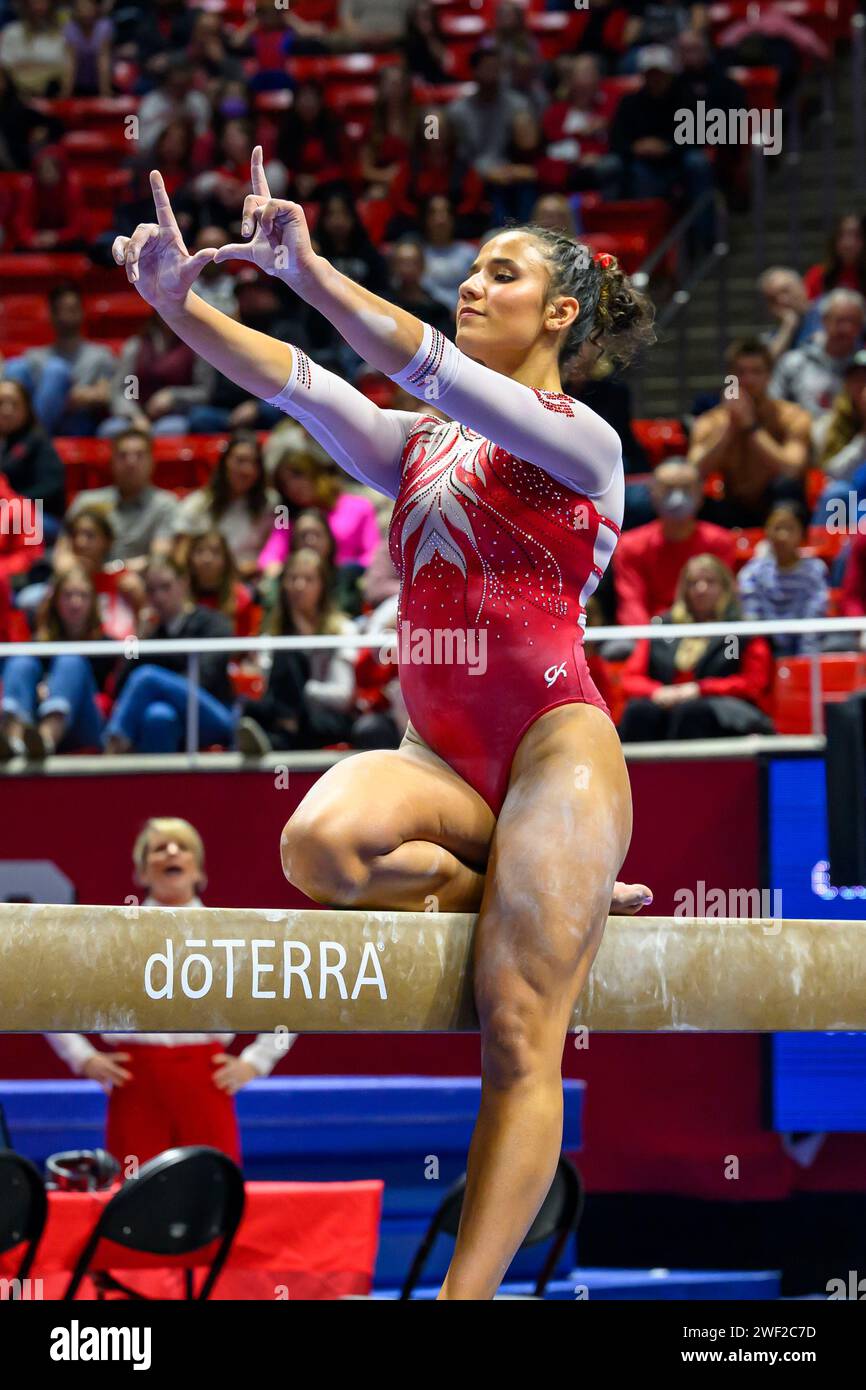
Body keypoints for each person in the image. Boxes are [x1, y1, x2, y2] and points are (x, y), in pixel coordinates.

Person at [113, 145, 656, 1299]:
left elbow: (432, 366)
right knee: (314, 844)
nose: (472, 282)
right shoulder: (416, 447)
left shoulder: (586, 445)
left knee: (517, 1033)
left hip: (555, 746)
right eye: (470, 268)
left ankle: (462, 1300)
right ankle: (525, 888)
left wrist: (307, 271)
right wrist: (180, 306)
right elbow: (299, 385)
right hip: (437, 765)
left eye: (500, 273)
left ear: (560, 310)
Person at [47, 818, 292, 1166]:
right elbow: (46, 994)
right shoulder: (114, 933)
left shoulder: (231, 932)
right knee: (134, 1201)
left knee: (212, 1196)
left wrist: (256, 1062)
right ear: (142, 874)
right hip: (136, 1082)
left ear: (199, 872)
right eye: (159, 849)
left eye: (182, 847)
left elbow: (291, 999)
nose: (171, 852)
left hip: (207, 1082)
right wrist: (81, 1056)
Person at [619, 554, 775, 740]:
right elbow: (631, 678)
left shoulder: (738, 633)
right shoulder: (661, 627)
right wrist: (657, 691)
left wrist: (700, 689)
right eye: (693, 582)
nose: (701, 589)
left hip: (725, 710)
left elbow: (752, 684)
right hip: (669, 702)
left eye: (710, 581)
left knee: (691, 712)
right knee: (639, 711)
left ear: (725, 587)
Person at [104, 555, 235, 754]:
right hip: (172, 717)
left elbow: (204, 678)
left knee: (147, 677)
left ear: (184, 584)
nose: (159, 597)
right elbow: (120, 686)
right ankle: (157, 785)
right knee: (158, 717)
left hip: (214, 715)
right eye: (151, 590)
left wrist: (159, 685)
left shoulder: (214, 623)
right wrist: (137, 640)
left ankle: (112, 749)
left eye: (166, 587)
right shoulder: (152, 635)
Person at [236, 547, 356, 754]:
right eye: (293, 579)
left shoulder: (341, 630)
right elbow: (270, 689)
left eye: (308, 579)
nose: (299, 586)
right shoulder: (271, 635)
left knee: (289, 656)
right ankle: (286, 732)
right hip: (284, 714)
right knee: (247, 709)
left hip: (323, 716)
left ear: (322, 586)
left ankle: (282, 737)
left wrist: (302, 689)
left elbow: (343, 696)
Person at [688, 338, 811, 527]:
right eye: (740, 372)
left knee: (787, 489)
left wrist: (751, 427)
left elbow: (791, 470)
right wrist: (729, 429)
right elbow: (693, 472)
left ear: (769, 376)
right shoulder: (711, 421)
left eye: (757, 372)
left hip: (776, 507)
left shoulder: (793, 416)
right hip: (732, 506)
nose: (748, 380)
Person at [0, 566, 113, 760]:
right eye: (68, 595)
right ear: (55, 601)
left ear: (93, 601)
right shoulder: (39, 645)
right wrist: (39, 689)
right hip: (33, 722)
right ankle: (13, 740)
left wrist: (56, 689)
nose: (75, 603)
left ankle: (45, 739)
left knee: (71, 661)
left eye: (83, 596)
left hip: (86, 726)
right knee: (20, 662)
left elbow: (114, 695)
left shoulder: (109, 647)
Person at [609, 44, 715, 246]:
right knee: (635, 173)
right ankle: (650, 242)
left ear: (670, 74)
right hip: (643, 163)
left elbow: (701, 137)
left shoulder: (688, 98)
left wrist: (668, 148)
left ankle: (705, 238)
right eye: (650, 74)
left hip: (679, 159)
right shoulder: (630, 102)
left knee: (698, 162)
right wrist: (636, 148)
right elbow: (617, 141)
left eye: (660, 74)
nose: (655, 79)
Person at [614, 458, 737, 625]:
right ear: (652, 493)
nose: (678, 497)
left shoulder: (720, 542)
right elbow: (631, 605)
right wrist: (650, 643)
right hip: (651, 634)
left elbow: (722, 601)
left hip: (705, 632)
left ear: (700, 494)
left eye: (686, 488)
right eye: (668, 488)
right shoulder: (630, 546)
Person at [257, 427, 381, 577]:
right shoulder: (284, 514)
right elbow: (269, 557)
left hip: (347, 584)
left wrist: (345, 571)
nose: (292, 487)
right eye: (284, 483)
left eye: (297, 476)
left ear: (316, 473)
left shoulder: (360, 506)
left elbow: (373, 555)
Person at [3, 282, 115, 436]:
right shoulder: (35, 356)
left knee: (56, 370)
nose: (65, 316)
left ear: (82, 312)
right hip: (37, 414)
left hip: (77, 421)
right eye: (60, 311)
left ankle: (31, 442)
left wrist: (82, 396)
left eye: (71, 309)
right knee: (16, 366)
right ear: (51, 315)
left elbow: (111, 393)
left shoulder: (100, 355)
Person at [171, 430, 276, 579]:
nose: (248, 470)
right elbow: (180, 558)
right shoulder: (197, 504)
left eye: (255, 463)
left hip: (253, 583)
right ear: (224, 463)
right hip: (204, 584)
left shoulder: (275, 506)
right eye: (240, 461)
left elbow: (279, 550)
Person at [66, 428, 179, 565]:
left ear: (152, 462)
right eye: (123, 455)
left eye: (139, 455)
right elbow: (63, 554)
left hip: (145, 582)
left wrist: (115, 573)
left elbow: (160, 558)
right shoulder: (86, 502)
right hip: (87, 582)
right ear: (111, 462)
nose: (131, 462)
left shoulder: (165, 505)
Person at [738, 501, 828, 656]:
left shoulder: (815, 571)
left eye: (790, 528)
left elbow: (814, 618)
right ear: (766, 531)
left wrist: (803, 663)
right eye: (777, 528)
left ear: (802, 533)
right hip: (764, 651)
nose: (782, 536)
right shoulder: (752, 573)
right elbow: (752, 619)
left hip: (805, 647)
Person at [770, 289, 866, 418]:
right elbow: (774, 407)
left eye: (853, 322)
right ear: (824, 320)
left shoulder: (862, 365)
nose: (846, 329)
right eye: (840, 320)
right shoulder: (794, 362)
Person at [0, 378, 65, 521]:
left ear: (27, 408)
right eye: (1, 403)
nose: (6, 410)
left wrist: (15, 502)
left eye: (14, 404)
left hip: (36, 513)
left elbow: (51, 485)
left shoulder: (37, 440)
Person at [186, 528, 259, 637]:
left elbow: (245, 645)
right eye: (199, 551)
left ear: (226, 560)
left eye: (215, 552)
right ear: (189, 558)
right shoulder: (178, 597)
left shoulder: (241, 598)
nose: (207, 558)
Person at [0, 0, 73, 98]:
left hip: (52, 98)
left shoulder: (64, 34)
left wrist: (29, 67)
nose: (39, 7)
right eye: (35, 2)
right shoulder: (12, 32)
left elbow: (66, 70)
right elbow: (5, 69)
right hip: (17, 98)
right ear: (26, 5)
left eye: (44, 2)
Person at [387, 240, 455, 340]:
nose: (407, 268)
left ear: (423, 265)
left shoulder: (438, 309)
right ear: (393, 266)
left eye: (413, 262)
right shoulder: (385, 303)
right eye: (402, 262)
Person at [758, 266, 823, 365]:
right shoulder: (772, 338)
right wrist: (788, 327)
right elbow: (766, 367)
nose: (781, 301)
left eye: (785, 291)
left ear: (802, 287)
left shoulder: (827, 313)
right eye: (772, 299)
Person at [802, 213, 866, 302]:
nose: (849, 243)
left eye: (857, 236)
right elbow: (806, 310)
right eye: (842, 235)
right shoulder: (817, 275)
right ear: (834, 240)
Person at [63, 0, 113, 98]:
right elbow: (71, 63)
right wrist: (66, 93)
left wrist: (105, 92)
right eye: (81, 8)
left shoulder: (104, 26)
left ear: (96, 8)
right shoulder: (70, 28)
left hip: (100, 82)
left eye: (88, 8)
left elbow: (103, 60)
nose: (85, 12)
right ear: (76, 10)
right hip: (78, 82)